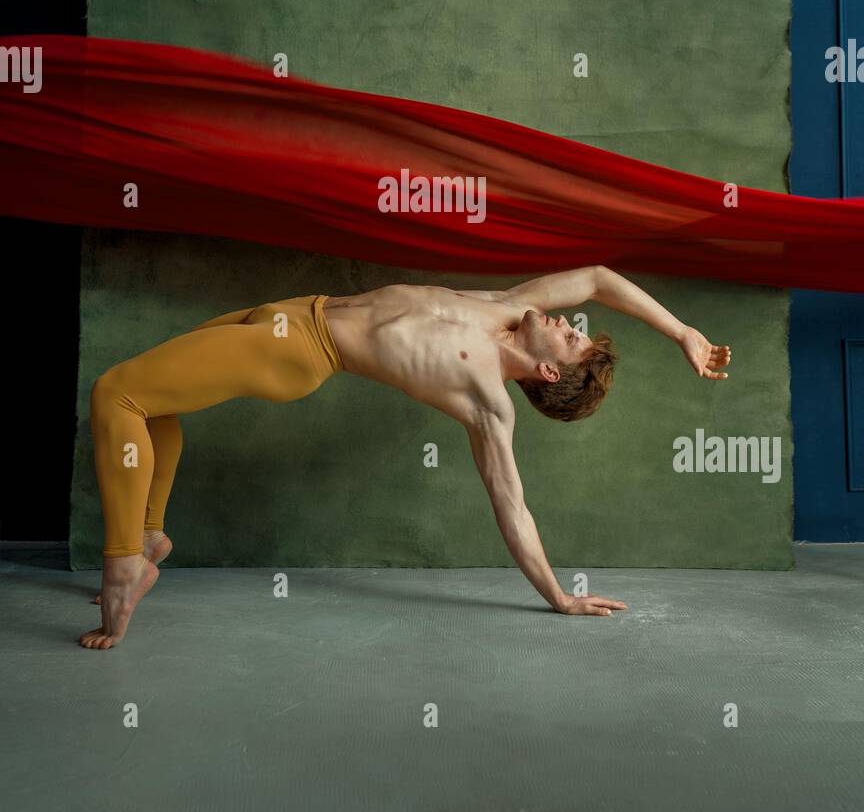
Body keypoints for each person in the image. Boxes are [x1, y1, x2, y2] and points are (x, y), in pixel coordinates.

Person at [82, 264, 731, 648]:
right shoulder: (504, 307)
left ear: (545, 372)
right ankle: (147, 539)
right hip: (293, 311)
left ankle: (121, 572)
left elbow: (513, 508)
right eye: (573, 327)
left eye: (571, 341)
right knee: (157, 399)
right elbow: (596, 279)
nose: (570, 323)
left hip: (300, 352)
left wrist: (560, 596)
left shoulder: (487, 402)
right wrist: (680, 332)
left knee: (118, 395)